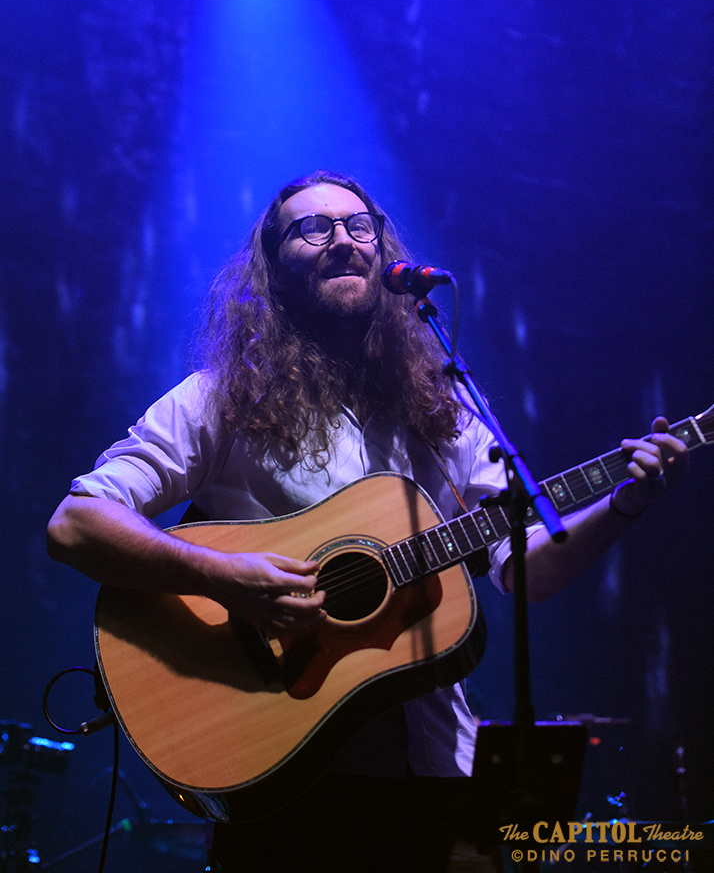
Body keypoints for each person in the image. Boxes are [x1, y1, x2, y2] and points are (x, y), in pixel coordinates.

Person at [47, 170, 687, 872]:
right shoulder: (220, 399)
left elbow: (526, 570)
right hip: (283, 780)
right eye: (313, 228)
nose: (343, 241)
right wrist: (228, 578)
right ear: (275, 270)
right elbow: (78, 522)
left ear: (384, 257)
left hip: (436, 772)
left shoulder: (443, 404)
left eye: (360, 226)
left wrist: (623, 503)